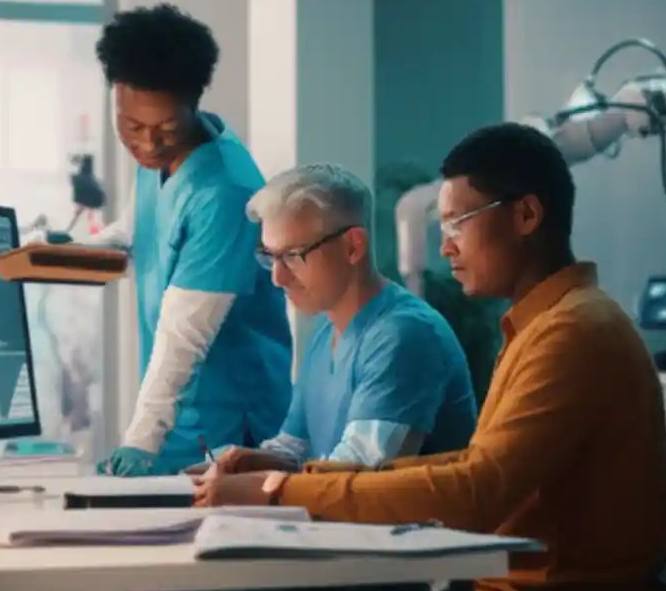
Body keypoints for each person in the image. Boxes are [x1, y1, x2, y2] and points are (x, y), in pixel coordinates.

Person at [194, 123, 666, 591]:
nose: (445, 246)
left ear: (526, 215)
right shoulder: (544, 324)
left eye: (457, 225)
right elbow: (474, 468)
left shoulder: (573, 332)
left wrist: (278, 490)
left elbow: (476, 493)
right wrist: (290, 479)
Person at [91, 4, 293, 476]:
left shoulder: (225, 193)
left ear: (193, 103)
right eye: (131, 127)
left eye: (164, 128)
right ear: (116, 97)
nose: (148, 144)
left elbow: (186, 334)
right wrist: (70, 251)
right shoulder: (162, 159)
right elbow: (142, 228)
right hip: (181, 420)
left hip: (228, 427)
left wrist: (141, 440)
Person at [191, 164, 476, 476]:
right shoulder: (326, 330)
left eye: (292, 256)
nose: (277, 277)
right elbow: (295, 447)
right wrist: (243, 463)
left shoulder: (404, 335)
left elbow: (356, 476)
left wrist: (256, 485)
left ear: (353, 246)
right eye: (270, 257)